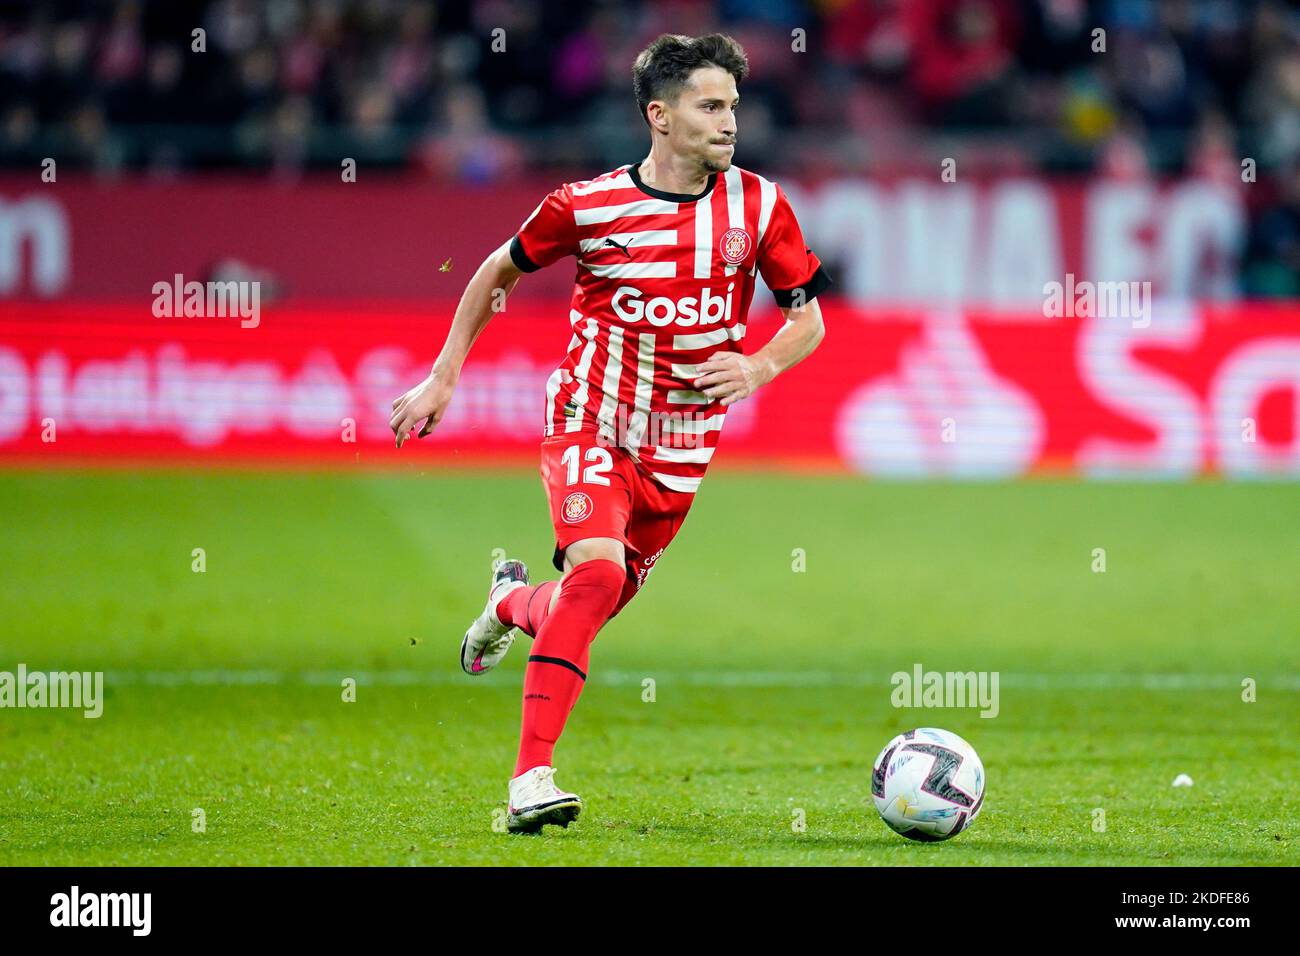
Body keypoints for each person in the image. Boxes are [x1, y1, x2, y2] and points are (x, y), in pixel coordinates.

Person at [389, 33, 830, 833]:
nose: (730, 121)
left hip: (683, 449)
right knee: (594, 576)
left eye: (733, 105)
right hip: (591, 420)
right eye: (710, 106)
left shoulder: (761, 206)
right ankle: (529, 780)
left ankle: (508, 601)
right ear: (660, 116)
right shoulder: (586, 206)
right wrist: (445, 374)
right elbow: (497, 271)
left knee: (584, 604)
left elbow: (809, 320)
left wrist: (758, 365)